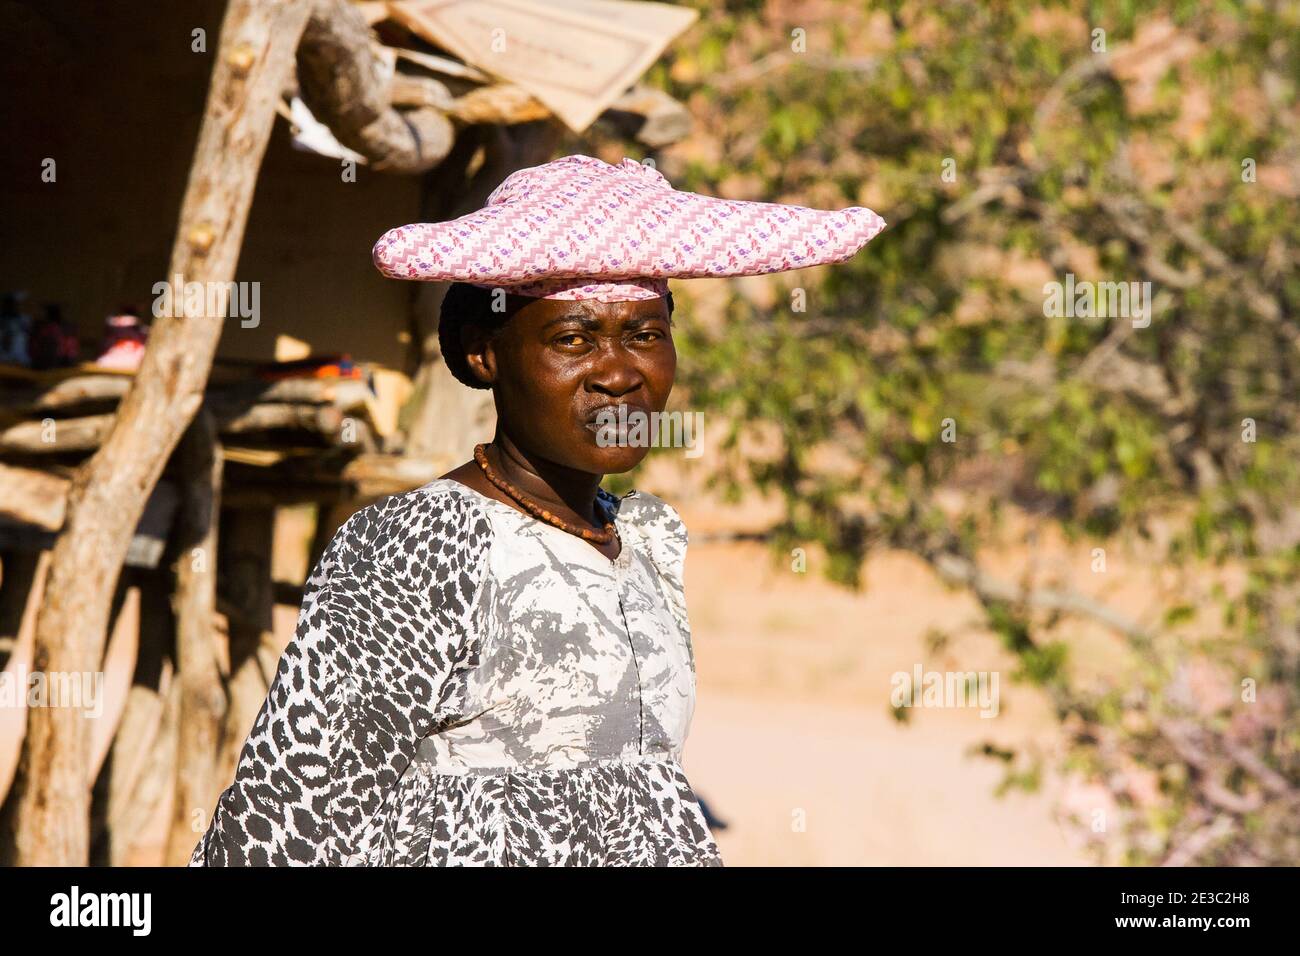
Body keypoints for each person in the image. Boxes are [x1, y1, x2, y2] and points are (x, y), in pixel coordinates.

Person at [188, 154, 884, 866]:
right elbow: (285, 826)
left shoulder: (638, 539)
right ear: (484, 354)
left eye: (645, 334)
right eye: (573, 340)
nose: (620, 373)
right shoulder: (421, 545)